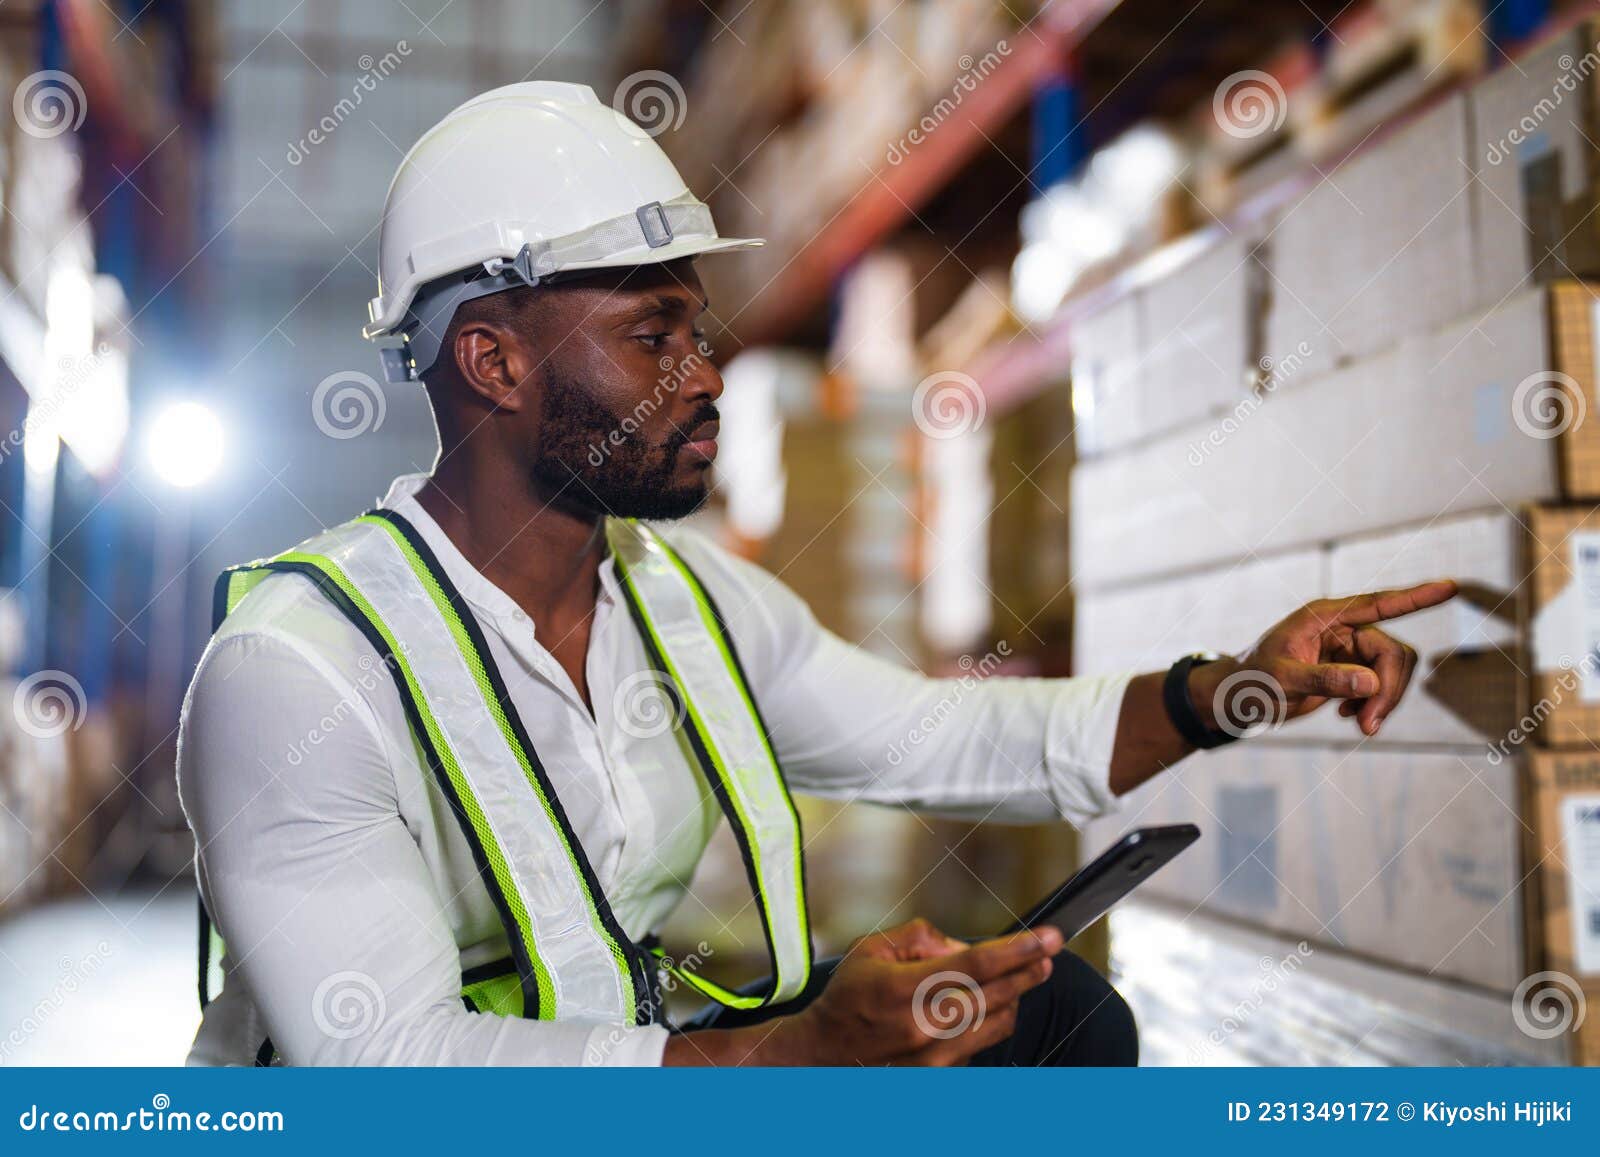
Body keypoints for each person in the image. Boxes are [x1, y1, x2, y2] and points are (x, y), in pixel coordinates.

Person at [176, 83, 1451, 1067]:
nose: (707, 373)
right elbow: (395, 1066)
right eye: (648, 335)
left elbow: (939, 735)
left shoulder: (685, 603)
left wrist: (1227, 687)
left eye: (698, 327)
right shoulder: (301, 672)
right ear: (494, 363)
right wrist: (790, 1056)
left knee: (1041, 1016)